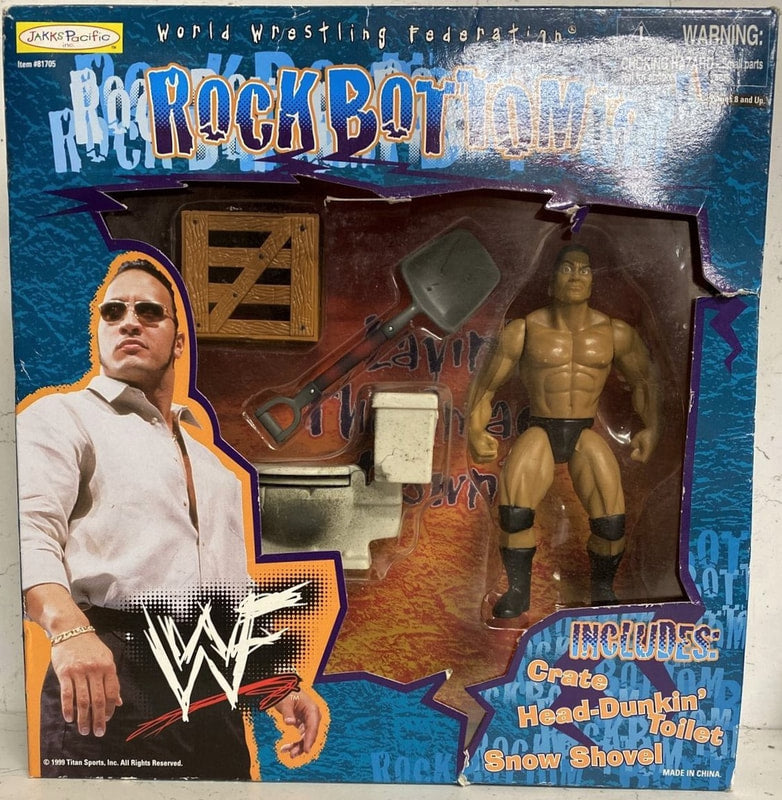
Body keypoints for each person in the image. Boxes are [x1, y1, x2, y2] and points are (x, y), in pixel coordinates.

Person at [18, 254, 321, 778]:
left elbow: (228, 591)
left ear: (179, 342)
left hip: (216, 692)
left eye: (149, 312)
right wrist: (69, 630)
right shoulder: (61, 418)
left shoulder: (212, 464)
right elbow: (25, 531)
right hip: (112, 674)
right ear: (99, 332)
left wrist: (271, 682)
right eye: (113, 312)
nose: (129, 322)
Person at [468, 244, 661, 619]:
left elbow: (645, 381)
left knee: (611, 520)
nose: (576, 275)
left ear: (592, 280)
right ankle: (518, 591)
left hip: (585, 432)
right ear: (551, 280)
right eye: (567, 268)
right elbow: (485, 387)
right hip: (541, 428)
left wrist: (651, 427)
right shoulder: (524, 330)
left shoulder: (614, 333)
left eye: (584, 269)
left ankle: (602, 589)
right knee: (514, 512)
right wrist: (476, 430)